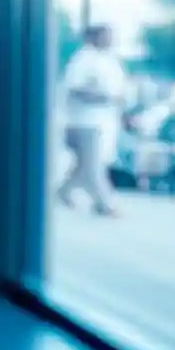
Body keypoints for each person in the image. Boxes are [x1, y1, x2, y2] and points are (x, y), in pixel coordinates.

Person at [56, 25, 126, 216]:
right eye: (105, 35)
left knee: (84, 164)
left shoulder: (107, 60)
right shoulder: (83, 59)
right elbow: (74, 89)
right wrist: (103, 97)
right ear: (93, 37)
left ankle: (63, 191)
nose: (109, 40)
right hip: (84, 121)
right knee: (93, 165)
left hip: (103, 120)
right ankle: (104, 203)